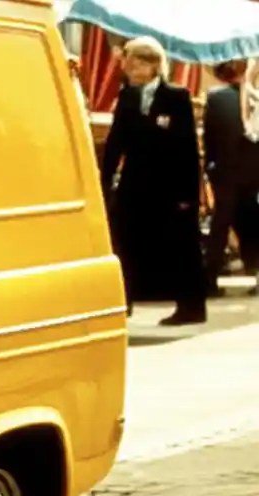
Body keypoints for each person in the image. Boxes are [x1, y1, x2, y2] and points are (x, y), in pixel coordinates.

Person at [102, 36, 205, 324]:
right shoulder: (127, 97)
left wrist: (189, 195)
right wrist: (105, 178)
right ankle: (124, 303)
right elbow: (115, 143)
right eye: (128, 64)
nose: (129, 69)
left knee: (181, 246)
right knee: (126, 243)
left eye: (135, 63)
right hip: (134, 185)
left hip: (169, 188)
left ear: (152, 65)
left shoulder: (177, 97)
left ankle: (191, 307)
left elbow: (187, 150)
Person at [203, 60, 259, 297]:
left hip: (226, 172)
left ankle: (210, 279)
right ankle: (255, 271)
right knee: (250, 223)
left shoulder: (216, 98)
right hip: (253, 172)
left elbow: (210, 139)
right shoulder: (253, 98)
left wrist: (211, 168)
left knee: (221, 224)